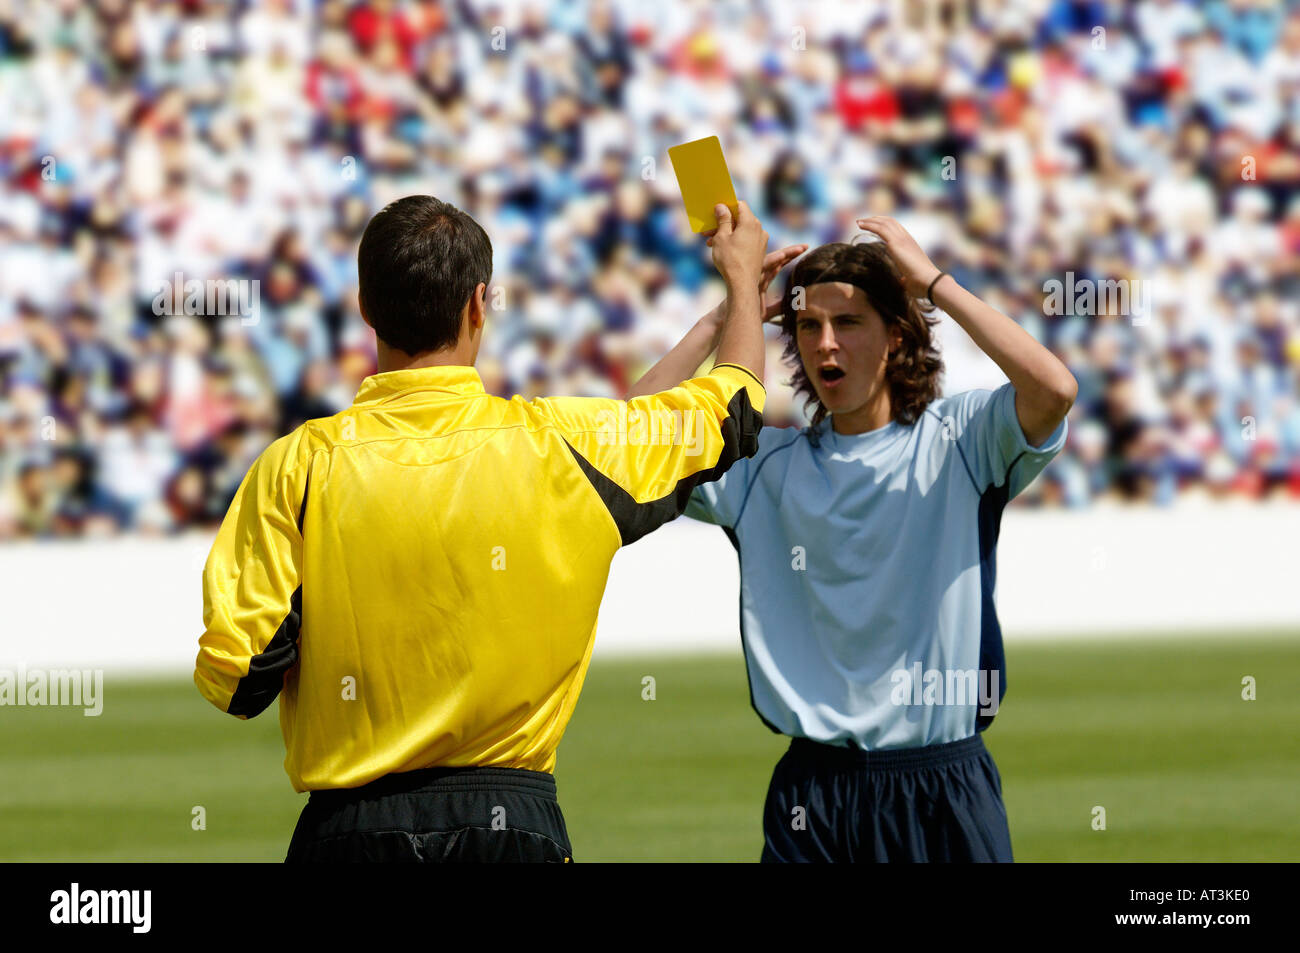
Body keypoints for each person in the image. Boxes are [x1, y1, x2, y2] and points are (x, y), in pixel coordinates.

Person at [193, 195, 770, 862]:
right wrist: (741, 287)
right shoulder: (559, 447)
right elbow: (732, 407)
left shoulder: (296, 467)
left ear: (364, 307)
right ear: (478, 304)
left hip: (350, 832)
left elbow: (237, 678)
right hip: (510, 828)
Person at [630, 216, 1077, 862]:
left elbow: (1055, 389)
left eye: (849, 323)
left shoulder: (960, 440)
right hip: (812, 797)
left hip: (942, 788)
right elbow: (632, 436)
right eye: (808, 326)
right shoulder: (762, 467)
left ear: (896, 336)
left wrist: (933, 283)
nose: (825, 344)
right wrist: (722, 321)